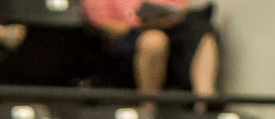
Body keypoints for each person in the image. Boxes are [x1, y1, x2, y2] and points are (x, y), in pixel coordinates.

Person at [83, 0, 217, 100]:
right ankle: (149, 106)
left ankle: (204, 99)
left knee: (204, 33)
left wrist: (165, 19)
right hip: (128, 39)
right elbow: (102, 23)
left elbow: (181, 8)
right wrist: (141, 24)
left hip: (169, 31)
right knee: (154, 40)